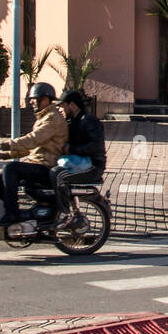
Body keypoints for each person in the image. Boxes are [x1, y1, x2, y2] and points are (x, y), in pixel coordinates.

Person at [0, 82, 69, 226]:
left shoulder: (53, 118)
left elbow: (32, 140)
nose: (31, 102)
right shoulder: (44, 117)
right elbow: (29, 148)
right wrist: (2, 155)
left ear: (45, 99)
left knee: (10, 169)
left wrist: (2, 145)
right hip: (36, 162)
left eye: (34, 99)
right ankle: (6, 218)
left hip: (45, 165)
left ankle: (12, 214)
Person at [53, 89, 106, 229]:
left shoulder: (89, 121)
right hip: (79, 164)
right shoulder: (72, 121)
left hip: (93, 167)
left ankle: (65, 215)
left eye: (63, 105)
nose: (61, 109)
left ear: (72, 105)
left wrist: (71, 149)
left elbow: (95, 146)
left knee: (60, 177)